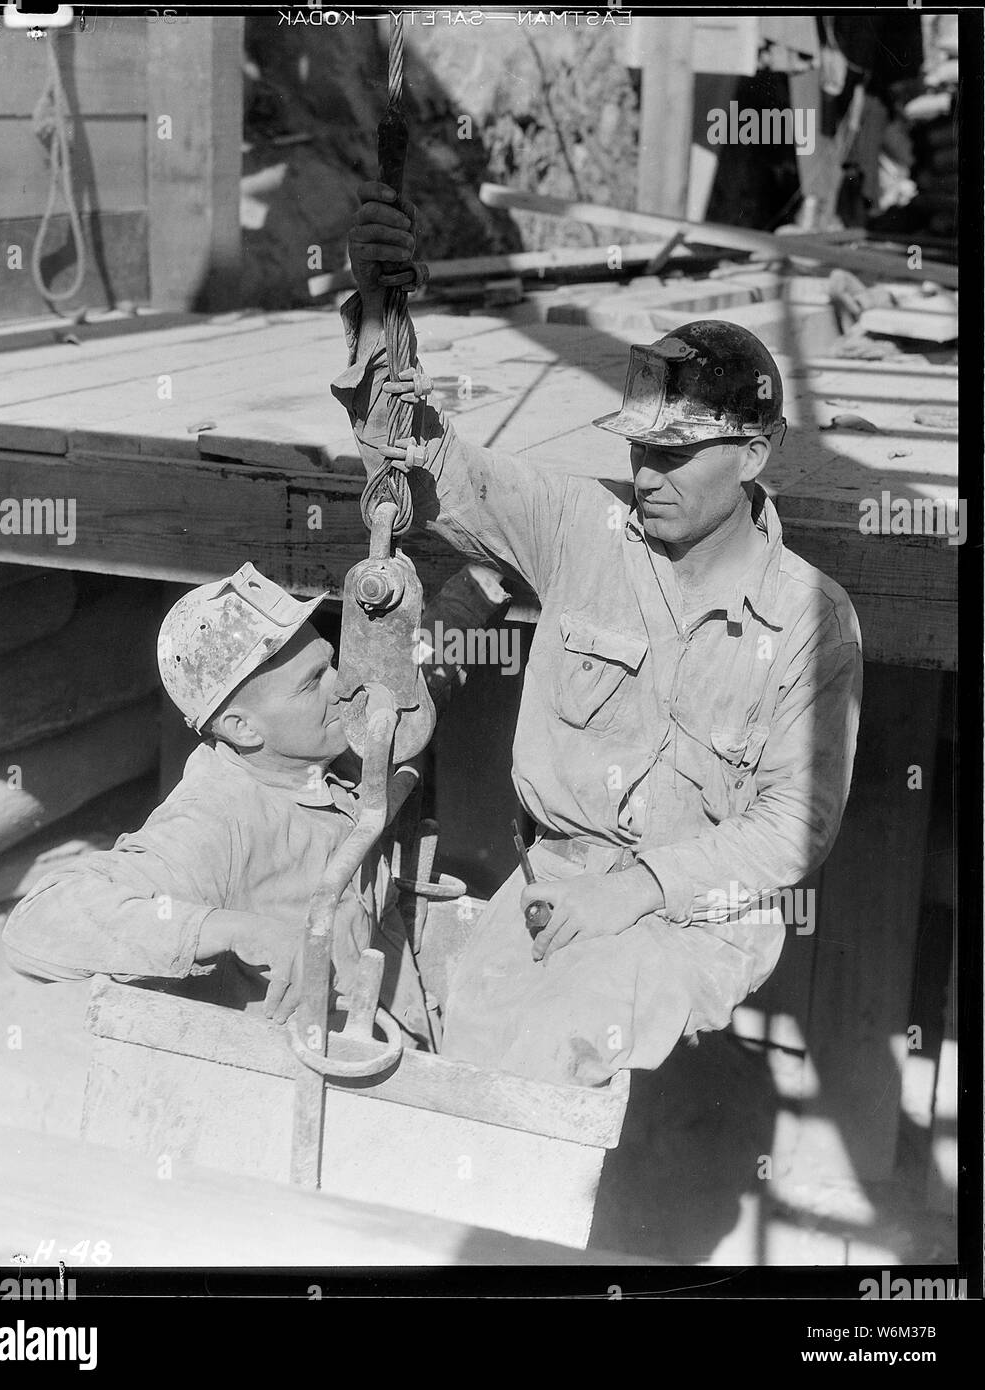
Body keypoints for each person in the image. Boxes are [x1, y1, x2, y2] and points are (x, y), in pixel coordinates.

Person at [331, 182, 863, 1089]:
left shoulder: (814, 620)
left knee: (556, 1051)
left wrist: (639, 891)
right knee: (467, 1062)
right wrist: (376, 310)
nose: (647, 476)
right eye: (638, 449)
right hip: (557, 883)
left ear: (754, 455)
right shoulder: (582, 529)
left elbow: (791, 827)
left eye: (675, 454)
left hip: (700, 911)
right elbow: (426, 465)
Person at [2, 562, 430, 1039]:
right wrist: (235, 931)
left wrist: (475, 595)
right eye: (312, 682)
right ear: (242, 728)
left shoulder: (310, 754)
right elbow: (37, 920)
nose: (340, 687)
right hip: (288, 1068)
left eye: (330, 663)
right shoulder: (214, 820)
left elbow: (418, 674)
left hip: (390, 1025)